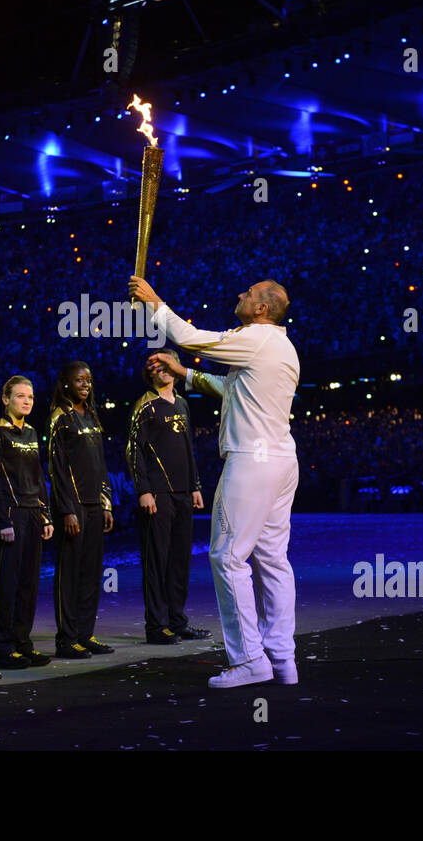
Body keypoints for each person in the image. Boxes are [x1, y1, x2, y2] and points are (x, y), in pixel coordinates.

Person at [130, 276, 300, 689]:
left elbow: (188, 336)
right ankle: (282, 658)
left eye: (248, 294)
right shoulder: (281, 346)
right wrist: (185, 374)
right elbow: (232, 389)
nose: (239, 294)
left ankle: (248, 661)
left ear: (262, 309)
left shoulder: (255, 337)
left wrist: (154, 300)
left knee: (227, 557)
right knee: (273, 560)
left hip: (251, 461)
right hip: (281, 460)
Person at [127, 349, 210, 645]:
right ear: (150, 371)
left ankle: (177, 621)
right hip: (158, 493)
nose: (162, 370)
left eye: (167, 364)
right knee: (157, 559)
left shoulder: (184, 404)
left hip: (183, 492)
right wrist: (144, 490)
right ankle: (156, 626)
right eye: (157, 366)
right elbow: (133, 449)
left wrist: (195, 485)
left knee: (179, 560)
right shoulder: (145, 406)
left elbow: (188, 448)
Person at [0, 375, 54, 669]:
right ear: (6, 400)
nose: (26, 401)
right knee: (8, 585)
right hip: (11, 516)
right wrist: (2, 520)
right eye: (20, 396)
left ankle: (22, 643)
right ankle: (3, 649)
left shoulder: (32, 433)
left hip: (33, 515)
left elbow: (38, 478)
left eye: (30, 397)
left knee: (29, 583)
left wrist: (45, 514)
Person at [48, 361, 115, 659]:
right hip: (73, 508)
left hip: (93, 506)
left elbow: (101, 466)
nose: (85, 384)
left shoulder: (92, 417)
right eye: (79, 380)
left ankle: (85, 635)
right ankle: (67, 638)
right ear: (65, 384)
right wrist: (66, 510)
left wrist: (106, 502)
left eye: (88, 380)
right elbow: (57, 468)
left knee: (91, 572)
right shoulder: (60, 418)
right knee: (70, 574)